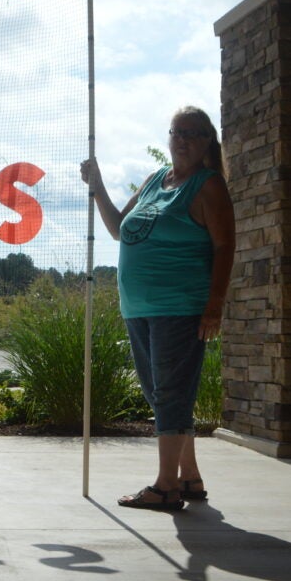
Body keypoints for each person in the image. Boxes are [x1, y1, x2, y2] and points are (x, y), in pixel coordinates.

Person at [80, 106, 235, 510]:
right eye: (176, 131)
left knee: (170, 393)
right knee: (161, 394)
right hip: (139, 307)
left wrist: (214, 306)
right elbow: (118, 228)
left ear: (207, 142)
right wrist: (96, 185)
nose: (182, 139)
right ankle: (189, 479)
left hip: (180, 305)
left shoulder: (208, 185)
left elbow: (224, 247)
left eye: (193, 132)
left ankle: (166, 488)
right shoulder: (153, 182)